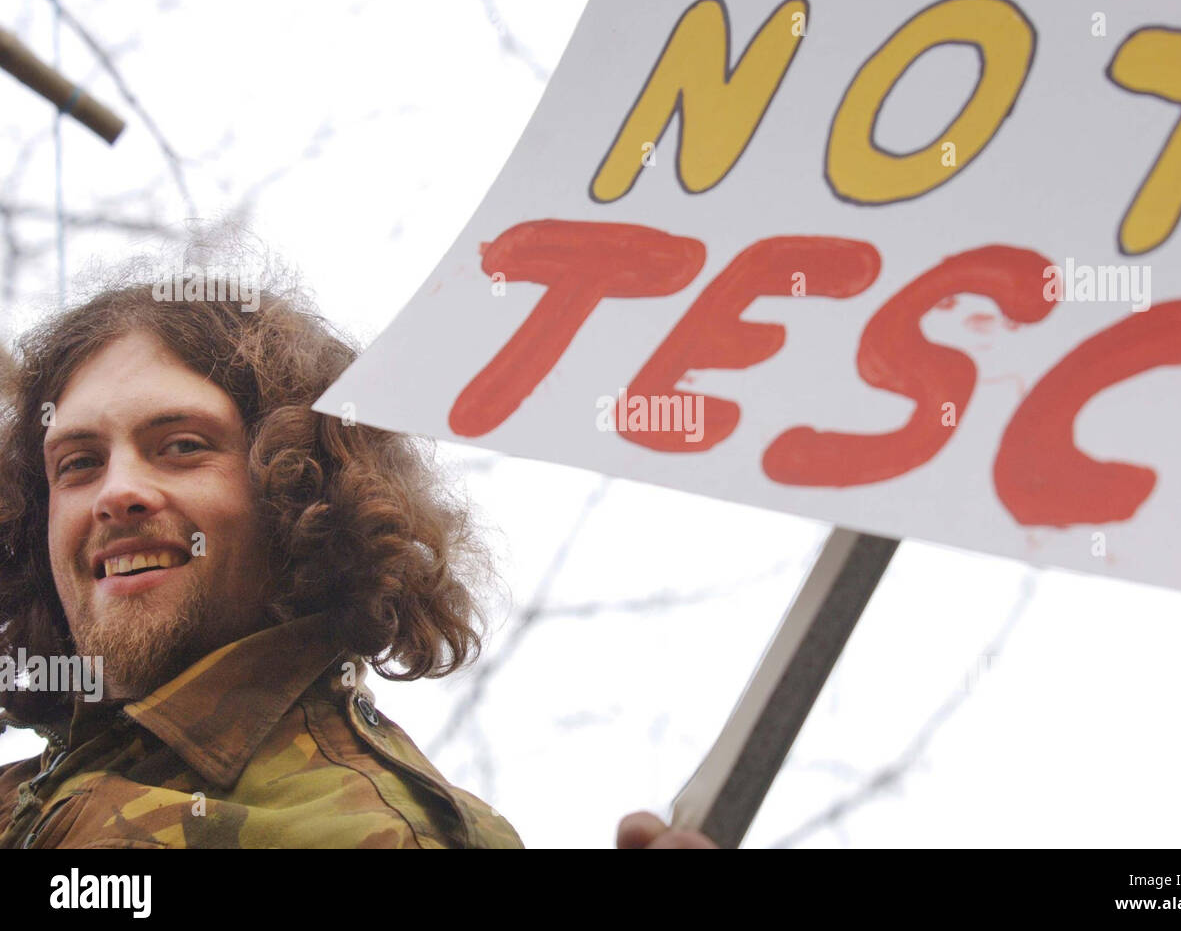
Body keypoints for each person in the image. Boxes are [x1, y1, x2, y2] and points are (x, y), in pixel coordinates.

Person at [0, 260, 716, 849]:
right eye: (78, 463)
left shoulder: (376, 833)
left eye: (182, 446)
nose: (116, 492)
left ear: (297, 495)